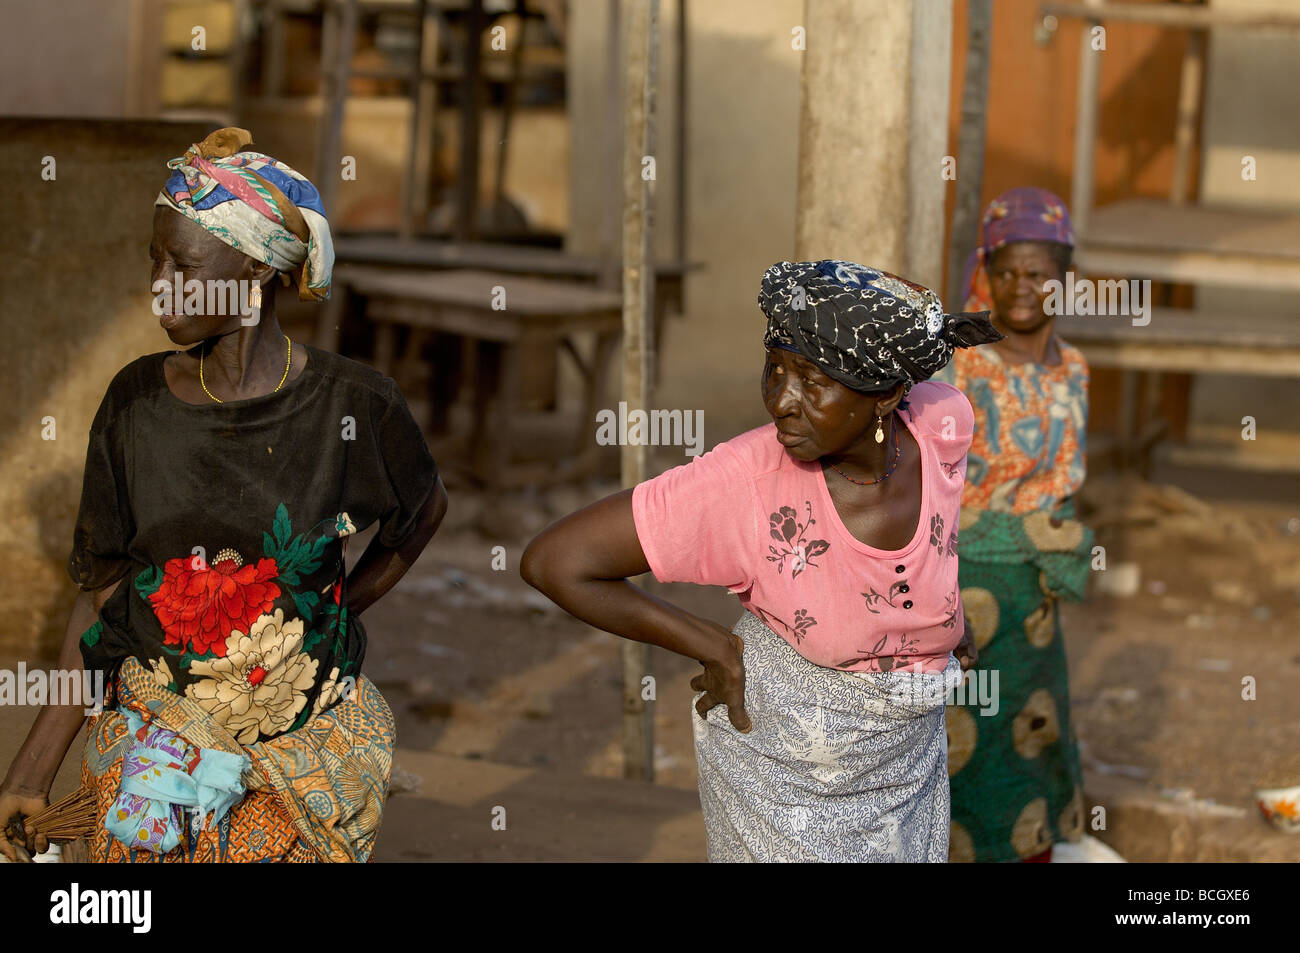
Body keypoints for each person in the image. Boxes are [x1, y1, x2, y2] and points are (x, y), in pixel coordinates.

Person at [0, 127, 448, 863]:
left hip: (301, 756)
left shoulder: (356, 405)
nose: (158, 284)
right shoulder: (136, 403)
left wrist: (330, 609)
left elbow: (422, 513)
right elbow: (105, 591)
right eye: (153, 260)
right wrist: (32, 767)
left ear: (255, 267)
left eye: (182, 263)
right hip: (153, 754)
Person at [522, 259, 999, 862]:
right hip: (784, 760)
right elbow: (555, 561)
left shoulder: (943, 424)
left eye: (812, 381)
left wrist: (939, 610)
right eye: (774, 371)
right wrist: (708, 642)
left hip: (905, 758)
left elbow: (932, 534)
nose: (781, 402)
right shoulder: (747, 482)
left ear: (886, 395)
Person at [934, 187, 1095, 862]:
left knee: (1030, 736)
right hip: (963, 585)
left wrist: (1055, 541)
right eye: (1005, 272)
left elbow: (1062, 486)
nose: (1020, 287)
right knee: (959, 742)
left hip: (1034, 602)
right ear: (985, 273)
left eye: (1037, 273)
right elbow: (927, 490)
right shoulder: (956, 362)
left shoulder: (1076, 370)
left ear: (1065, 280)